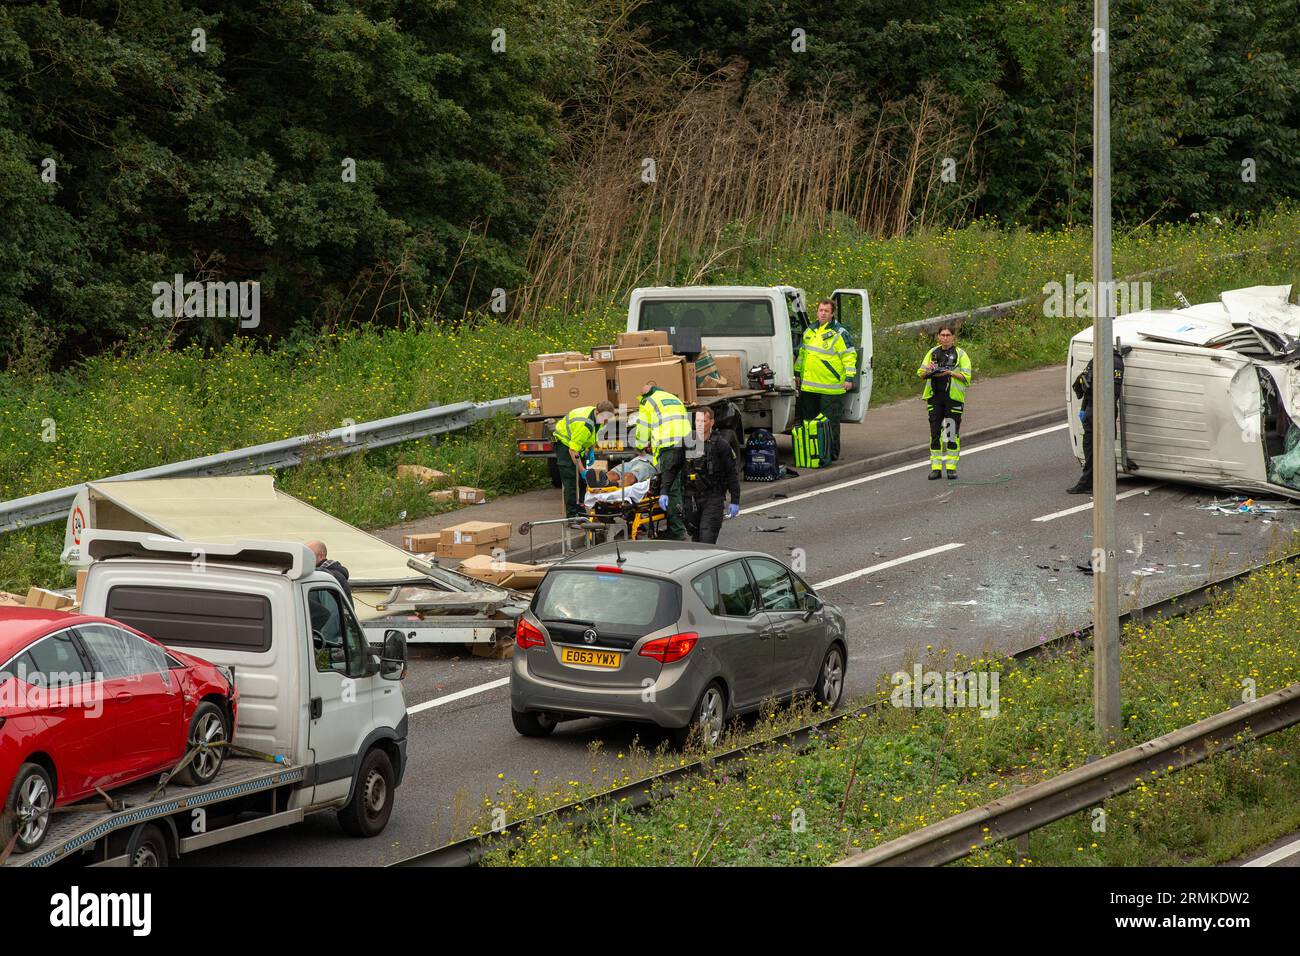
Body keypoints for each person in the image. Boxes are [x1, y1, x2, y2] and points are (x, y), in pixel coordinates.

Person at [794, 298, 857, 464]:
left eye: (826, 311)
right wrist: (797, 373)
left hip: (831, 387)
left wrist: (850, 378)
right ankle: (811, 453)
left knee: (830, 424)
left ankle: (831, 454)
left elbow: (849, 356)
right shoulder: (810, 331)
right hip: (809, 386)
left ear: (832, 313)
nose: (822, 313)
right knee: (809, 422)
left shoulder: (840, 333)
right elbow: (802, 355)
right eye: (820, 310)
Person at [635, 379, 691, 540]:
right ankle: (683, 524)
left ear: (646, 393)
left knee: (671, 489)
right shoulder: (673, 398)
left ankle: (677, 531)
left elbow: (643, 429)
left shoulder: (648, 402)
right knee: (681, 488)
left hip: (669, 449)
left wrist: (640, 446)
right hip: (686, 446)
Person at [917, 326, 973, 480]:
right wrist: (929, 371)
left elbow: (967, 377)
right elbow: (920, 373)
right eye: (943, 335)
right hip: (935, 397)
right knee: (935, 433)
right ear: (938, 337)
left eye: (948, 335)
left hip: (953, 399)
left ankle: (951, 467)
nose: (945, 338)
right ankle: (935, 468)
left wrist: (950, 373)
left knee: (951, 433)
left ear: (953, 337)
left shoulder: (961, 354)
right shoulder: (932, 353)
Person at [1067, 349, 1125, 495]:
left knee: (1104, 447)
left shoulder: (1114, 362)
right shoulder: (1097, 357)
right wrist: (1084, 408)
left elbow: (1112, 391)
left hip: (1103, 411)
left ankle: (1104, 481)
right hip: (1091, 410)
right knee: (1090, 448)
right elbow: (1086, 387)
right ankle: (1090, 481)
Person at [684, 407, 741, 543]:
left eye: (703, 421)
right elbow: (673, 468)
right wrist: (664, 491)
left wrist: (735, 500)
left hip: (713, 497)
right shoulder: (687, 443)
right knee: (696, 539)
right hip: (692, 498)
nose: (699, 424)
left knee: (707, 537)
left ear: (712, 422)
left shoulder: (721, 445)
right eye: (697, 421)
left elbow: (731, 474)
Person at [553, 400, 617, 517]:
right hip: (565, 443)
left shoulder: (600, 416)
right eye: (604, 418)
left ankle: (581, 509)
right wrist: (582, 470)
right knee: (571, 479)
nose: (606, 421)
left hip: (577, 444)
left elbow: (592, 434)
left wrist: (591, 449)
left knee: (584, 480)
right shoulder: (585, 425)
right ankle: (571, 516)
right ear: (597, 412)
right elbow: (572, 450)